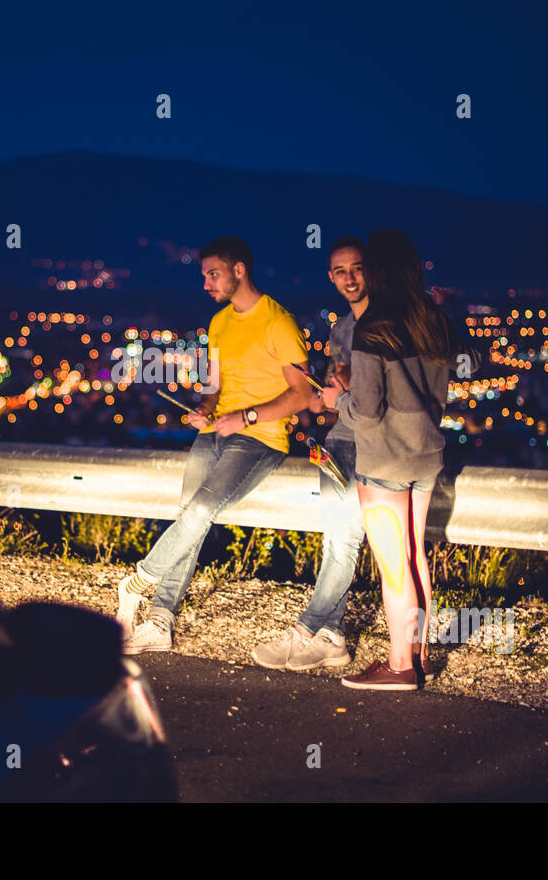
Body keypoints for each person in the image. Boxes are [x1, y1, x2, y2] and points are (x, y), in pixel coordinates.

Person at [118, 236, 313, 653]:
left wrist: (245, 417)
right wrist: (204, 409)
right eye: (203, 275)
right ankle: (159, 622)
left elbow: (302, 395)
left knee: (202, 510)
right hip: (216, 432)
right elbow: (214, 384)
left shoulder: (280, 322)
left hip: (260, 438)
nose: (206, 283)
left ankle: (137, 583)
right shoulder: (220, 322)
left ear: (239, 270)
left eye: (213, 274)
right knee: (190, 516)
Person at [319, 229, 477, 690]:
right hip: (427, 456)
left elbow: (366, 412)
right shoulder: (433, 318)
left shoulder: (375, 327)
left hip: (385, 462)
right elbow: (472, 359)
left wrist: (337, 399)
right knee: (415, 558)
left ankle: (399, 666)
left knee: (393, 566)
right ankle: (420, 655)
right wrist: (445, 310)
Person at [251, 236, 369, 671]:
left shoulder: (389, 325)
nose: (349, 278)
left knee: (343, 540)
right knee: (336, 539)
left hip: (372, 444)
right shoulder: (340, 329)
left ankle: (309, 629)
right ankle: (330, 637)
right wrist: (319, 394)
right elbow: (334, 394)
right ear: (331, 277)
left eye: (357, 268)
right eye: (340, 271)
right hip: (339, 442)